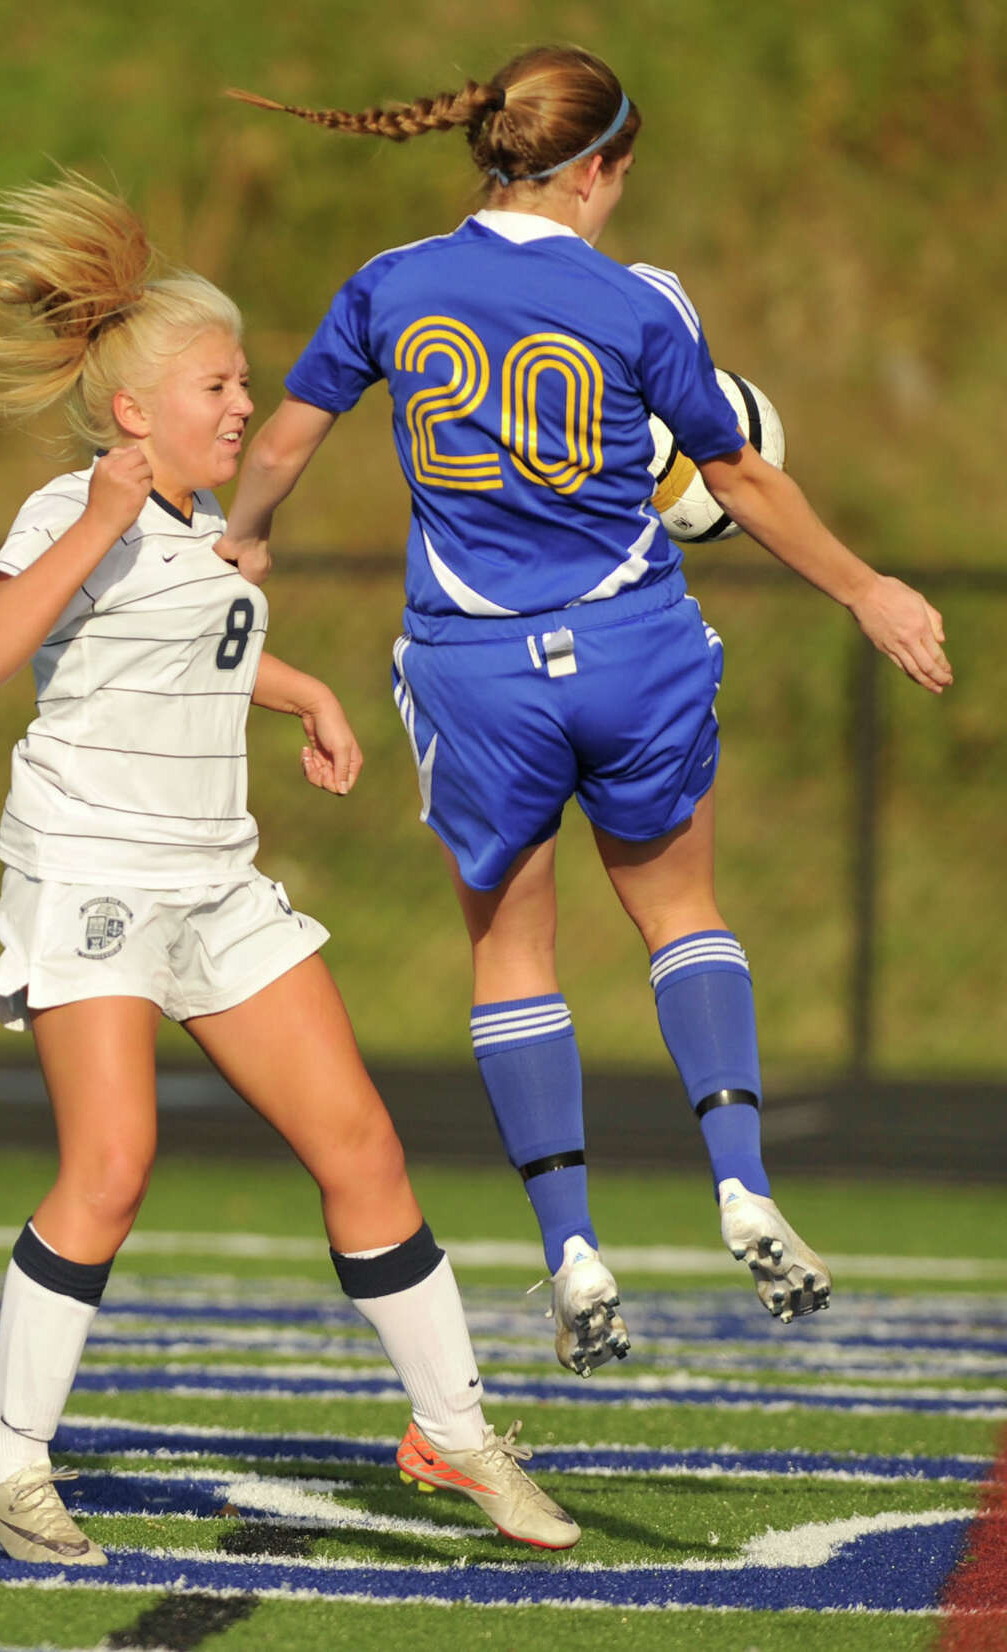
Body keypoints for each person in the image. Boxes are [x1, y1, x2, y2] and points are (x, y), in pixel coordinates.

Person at [218, 47, 953, 1378]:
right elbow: (738, 475)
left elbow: (280, 442)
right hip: (630, 645)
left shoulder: (391, 282)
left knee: (511, 953)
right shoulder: (638, 300)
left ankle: (571, 1248)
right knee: (681, 911)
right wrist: (868, 589)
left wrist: (248, 540)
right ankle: (740, 1181)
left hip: (475, 666)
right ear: (598, 168)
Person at [0, 172, 581, 1561]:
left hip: (215, 878)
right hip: (91, 872)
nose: (240, 405)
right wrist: (95, 516)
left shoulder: (212, 537)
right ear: (139, 409)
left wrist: (305, 690)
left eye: (245, 380)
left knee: (364, 1148)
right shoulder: (68, 508)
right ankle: (8, 1470)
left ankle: (451, 1435)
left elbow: (177, 645)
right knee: (111, 1167)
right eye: (219, 383)